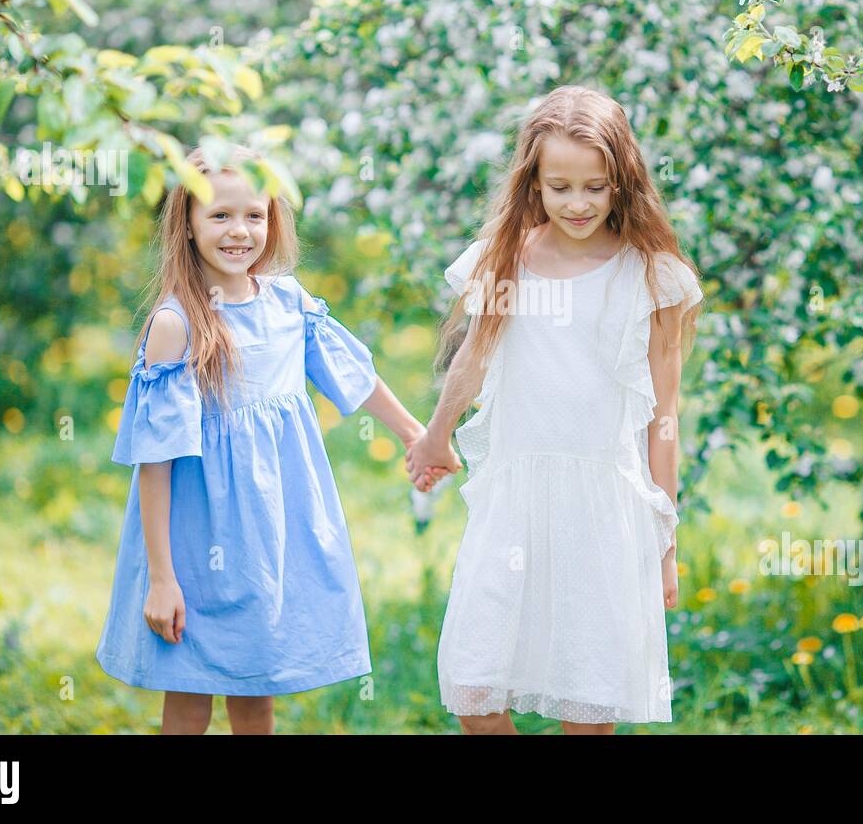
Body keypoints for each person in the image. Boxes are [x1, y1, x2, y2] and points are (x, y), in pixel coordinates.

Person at [96, 143, 452, 733]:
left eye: (254, 216)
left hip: (269, 531)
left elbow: (352, 376)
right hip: (193, 536)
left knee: (258, 680)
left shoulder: (288, 301)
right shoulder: (175, 324)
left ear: (273, 219)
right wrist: (162, 577)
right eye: (219, 216)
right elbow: (153, 464)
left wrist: (417, 435)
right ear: (186, 224)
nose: (239, 232)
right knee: (188, 690)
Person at [406, 86, 704, 734]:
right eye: (558, 186)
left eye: (595, 187)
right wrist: (435, 436)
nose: (577, 203)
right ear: (532, 184)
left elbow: (664, 417)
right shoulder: (507, 258)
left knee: (586, 698)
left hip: (605, 507)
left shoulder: (651, 276)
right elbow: (474, 358)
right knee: (474, 686)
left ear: (622, 182)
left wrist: (665, 545)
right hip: (515, 498)